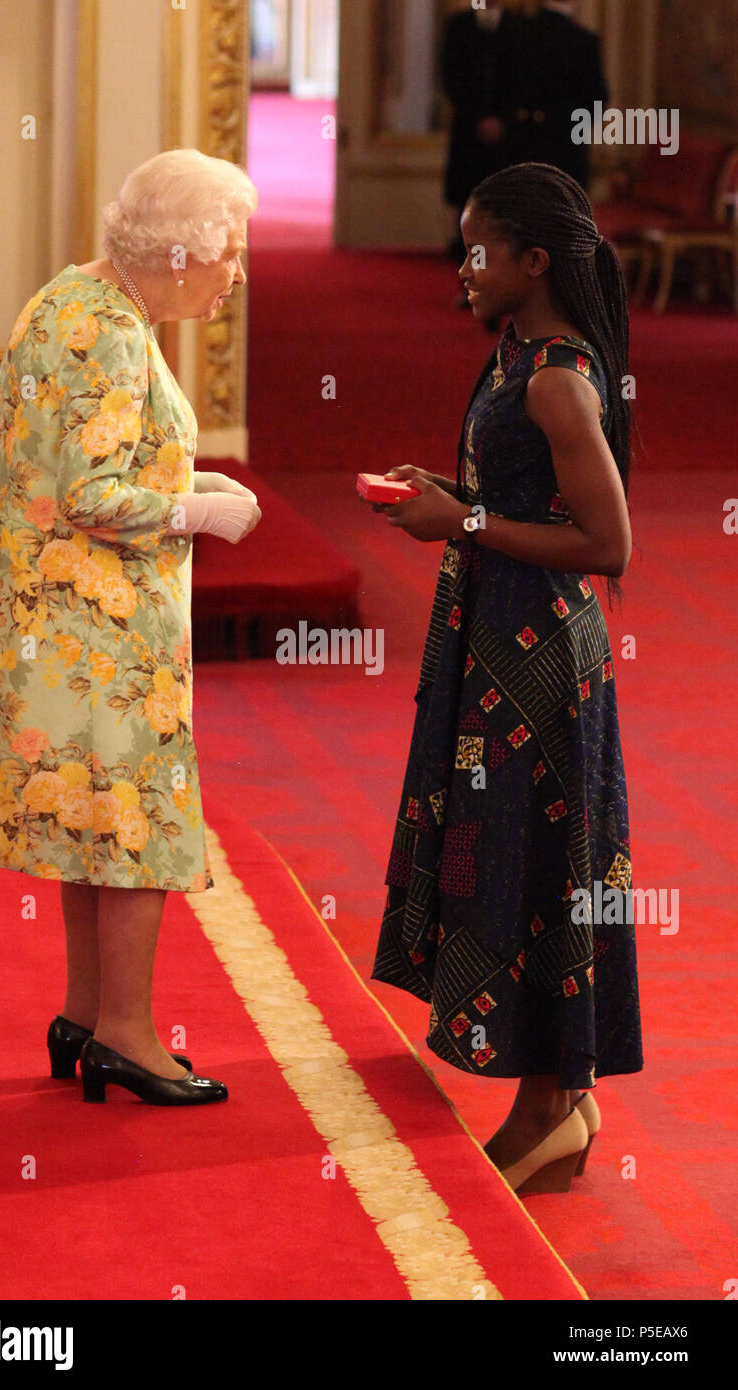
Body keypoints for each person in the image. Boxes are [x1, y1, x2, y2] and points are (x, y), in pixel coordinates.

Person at [366, 162, 643, 1194]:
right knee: (505, 855)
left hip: (542, 667)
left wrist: (469, 522)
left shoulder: (558, 378)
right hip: (494, 641)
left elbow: (609, 543)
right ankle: (562, 1102)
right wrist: (454, 494)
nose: (463, 268)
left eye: (480, 251)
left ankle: (547, 1102)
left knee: (536, 868)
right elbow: (516, 491)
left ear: (534, 261)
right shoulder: (512, 354)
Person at [0, 148, 261, 1106]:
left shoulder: (75, 298)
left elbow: (85, 463)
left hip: (51, 623)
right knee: (131, 824)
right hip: (99, 631)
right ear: (182, 254)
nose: (238, 275)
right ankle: (129, 1034)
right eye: (232, 253)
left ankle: (88, 1014)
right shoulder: (116, 335)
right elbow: (92, 496)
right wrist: (198, 513)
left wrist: (190, 482)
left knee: (91, 819)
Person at [504, 0, 608, 189]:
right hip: (567, 149)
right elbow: (598, 97)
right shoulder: (584, 39)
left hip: (520, 144)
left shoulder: (516, 32)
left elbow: (503, 89)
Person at [441, 1, 516, 261]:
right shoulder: (458, 25)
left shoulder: (519, 26)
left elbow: (524, 80)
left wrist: (503, 120)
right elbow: (450, 77)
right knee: (467, 205)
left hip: (509, 139)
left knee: (504, 211)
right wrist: (478, 120)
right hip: (467, 135)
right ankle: (469, 279)